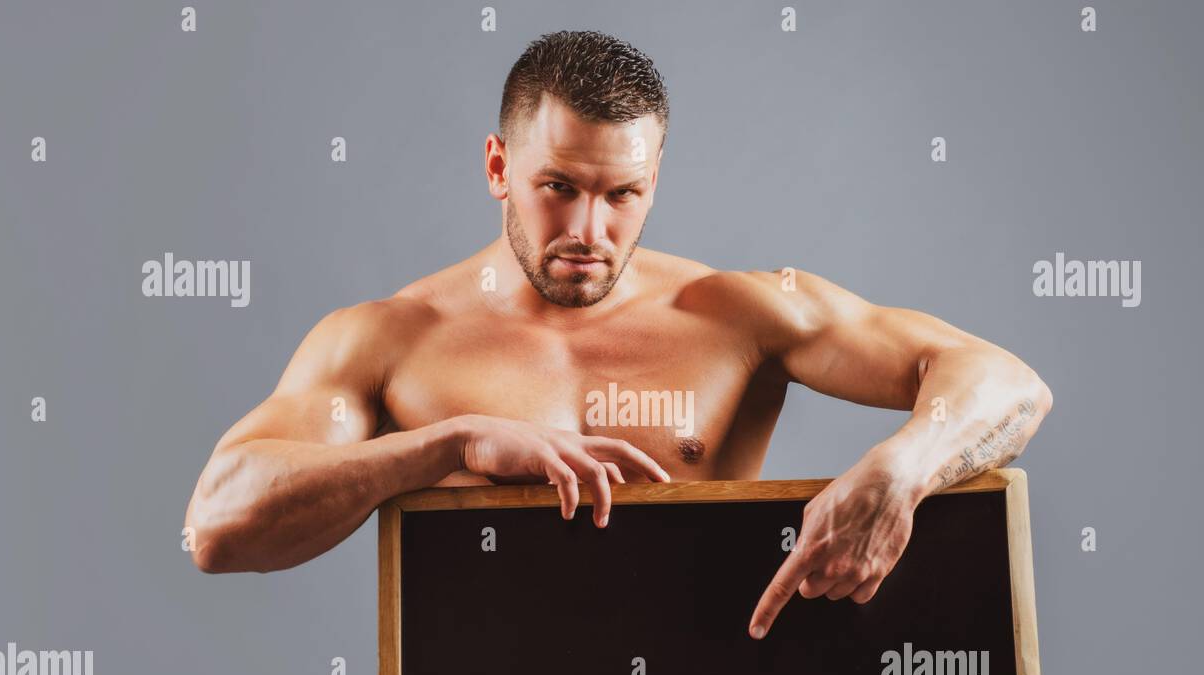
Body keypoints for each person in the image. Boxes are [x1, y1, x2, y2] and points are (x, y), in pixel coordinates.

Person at [184, 30, 1053, 640]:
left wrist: (901, 471)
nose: (589, 230)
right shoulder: (389, 339)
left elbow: (1005, 380)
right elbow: (219, 525)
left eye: (622, 195)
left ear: (655, 177)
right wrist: (450, 443)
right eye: (557, 186)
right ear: (498, 167)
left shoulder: (739, 313)